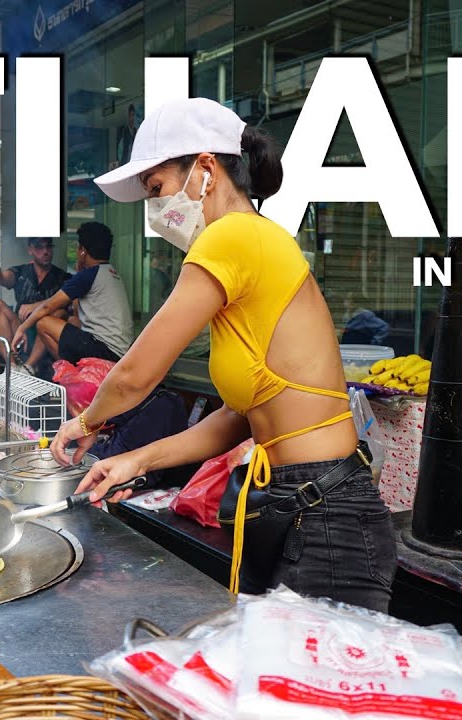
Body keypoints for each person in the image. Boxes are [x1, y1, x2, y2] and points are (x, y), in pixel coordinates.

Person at [49, 97, 397, 612]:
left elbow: (136, 375)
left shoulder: (231, 235)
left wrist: (88, 423)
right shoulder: (249, 244)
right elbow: (240, 419)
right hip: (302, 502)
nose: (155, 210)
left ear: (206, 170)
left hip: (326, 516)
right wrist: (133, 461)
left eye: (157, 190)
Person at [11, 222, 133, 365]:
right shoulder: (110, 273)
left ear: (83, 251)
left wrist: (22, 328)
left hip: (105, 351)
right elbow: (77, 313)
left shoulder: (88, 275)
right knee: (73, 321)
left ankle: (73, 373)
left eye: (78, 247)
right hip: (120, 352)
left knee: (44, 323)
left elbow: (47, 307)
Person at [0, 237, 71, 374]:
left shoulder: (63, 277)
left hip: (45, 337)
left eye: (48, 247)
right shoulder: (21, 272)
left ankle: (28, 368)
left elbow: (69, 302)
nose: (45, 251)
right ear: (30, 249)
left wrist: (37, 306)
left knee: (59, 313)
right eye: (39, 247)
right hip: (19, 330)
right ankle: (11, 367)